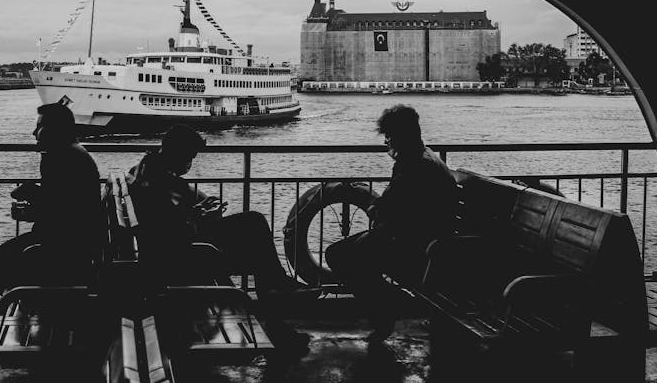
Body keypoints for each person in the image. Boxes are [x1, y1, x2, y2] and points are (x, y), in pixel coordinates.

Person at [127, 123, 317, 353]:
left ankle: (279, 303)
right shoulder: (161, 180)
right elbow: (176, 229)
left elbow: (168, 222)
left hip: (170, 251)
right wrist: (203, 216)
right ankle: (280, 311)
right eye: (189, 157)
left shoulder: (148, 170)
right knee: (256, 235)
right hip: (182, 259)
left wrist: (198, 213)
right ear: (177, 153)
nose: (190, 163)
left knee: (254, 233)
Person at [325, 104, 459, 353]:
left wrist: (376, 210)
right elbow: (397, 206)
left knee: (337, 255)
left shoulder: (414, 165)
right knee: (346, 252)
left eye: (389, 136)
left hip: (414, 245)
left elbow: (388, 208)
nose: (386, 142)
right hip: (420, 236)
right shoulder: (424, 158)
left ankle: (388, 307)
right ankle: (387, 304)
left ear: (399, 136)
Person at [0, 101, 105, 292]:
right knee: (3, 257)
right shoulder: (72, 153)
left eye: (39, 126)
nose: (34, 133)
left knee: (1, 262)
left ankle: (13, 305)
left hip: (65, 247)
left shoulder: (59, 158)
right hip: (76, 240)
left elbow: (59, 211)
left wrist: (30, 196)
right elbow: (64, 202)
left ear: (54, 129)